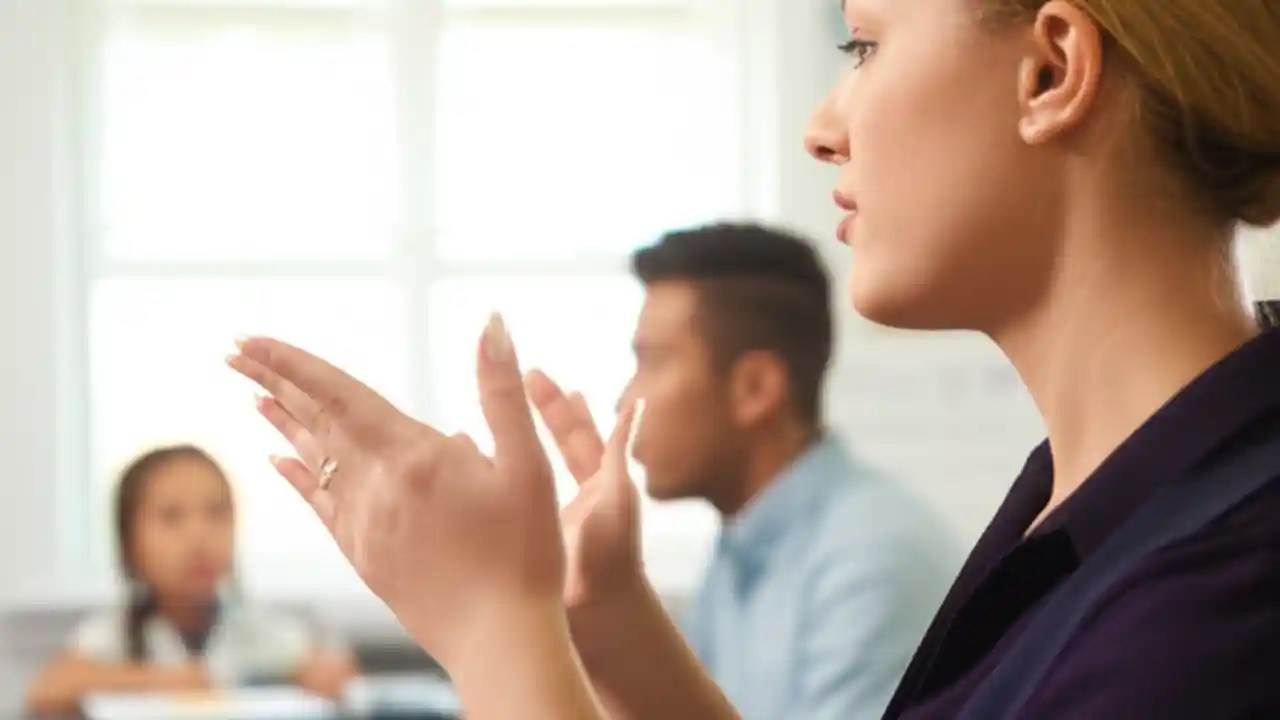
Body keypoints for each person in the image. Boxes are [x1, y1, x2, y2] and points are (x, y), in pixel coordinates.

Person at [226, 0, 1280, 717]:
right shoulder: (1091, 505)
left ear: (1049, 68)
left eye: (862, 46)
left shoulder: (1218, 599)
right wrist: (607, 621)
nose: (823, 129)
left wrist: (494, 627)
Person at [524, 223, 956, 720]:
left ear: (754, 388)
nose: (627, 399)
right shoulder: (741, 544)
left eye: (653, 362)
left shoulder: (872, 560)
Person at [26, 445, 359, 714]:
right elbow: (48, 690)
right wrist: (162, 682)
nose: (199, 538)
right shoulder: (118, 633)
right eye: (172, 517)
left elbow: (334, 672)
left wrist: (320, 676)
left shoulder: (253, 629)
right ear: (129, 544)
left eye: (217, 513)